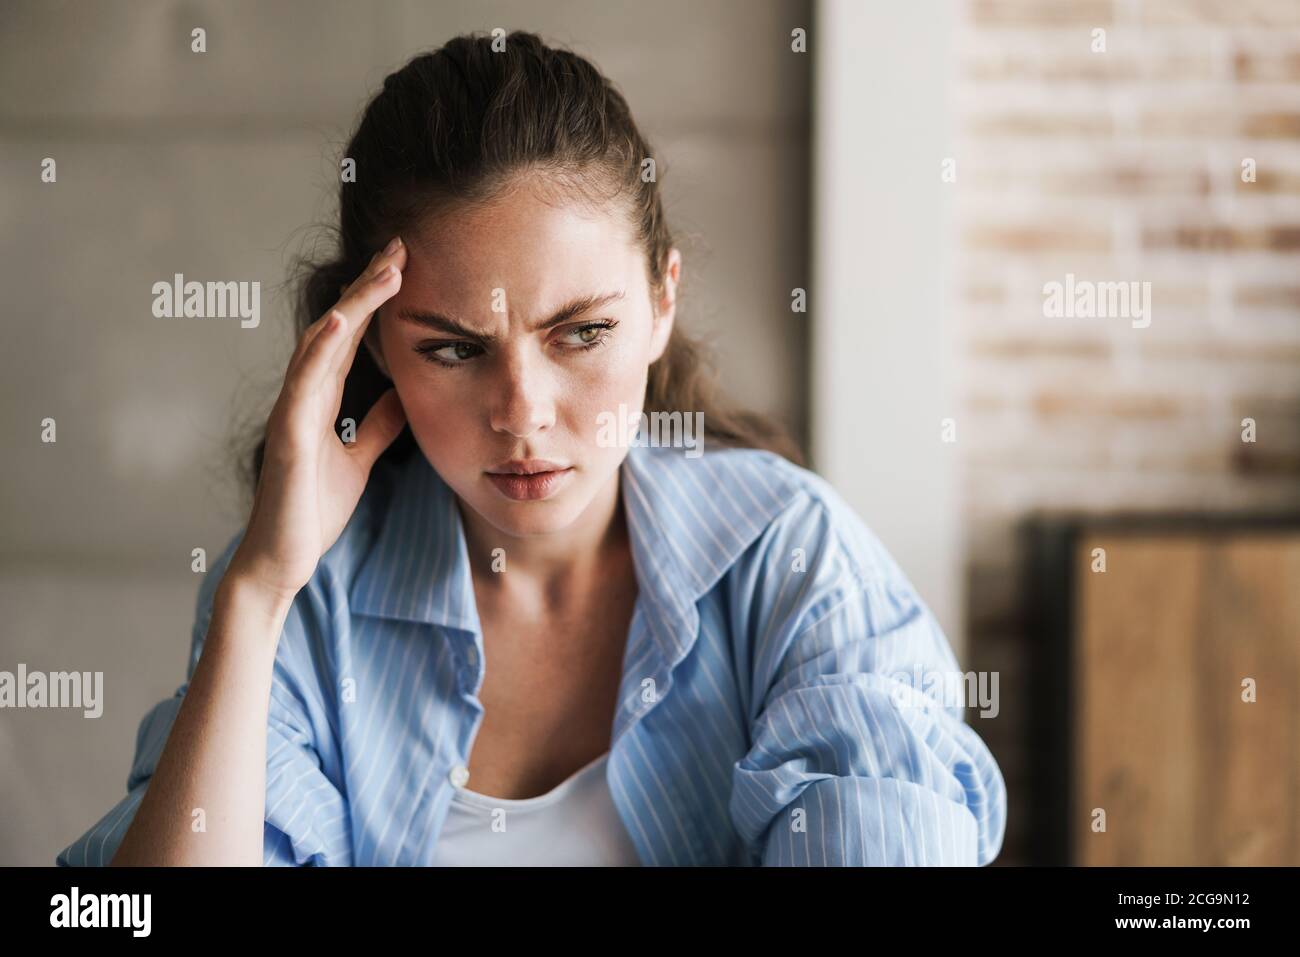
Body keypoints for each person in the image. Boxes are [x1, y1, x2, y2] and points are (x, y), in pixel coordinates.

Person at [57, 30, 1005, 867]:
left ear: (661, 302)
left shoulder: (789, 557)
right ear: (372, 345)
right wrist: (257, 594)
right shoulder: (311, 598)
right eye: (454, 348)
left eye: (582, 332)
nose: (522, 413)